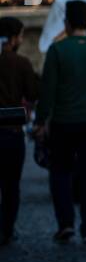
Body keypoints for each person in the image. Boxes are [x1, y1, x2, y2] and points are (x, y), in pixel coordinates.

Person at [33, 0, 86, 244]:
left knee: (60, 172)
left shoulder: (58, 50)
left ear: (67, 23)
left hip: (64, 121)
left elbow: (47, 91)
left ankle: (66, 224)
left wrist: (40, 121)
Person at [0, 17, 40, 245]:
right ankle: (7, 228)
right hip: (11, 131)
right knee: (11, 186)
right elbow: (33, 93)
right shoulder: (21, 63)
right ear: (14, 38)